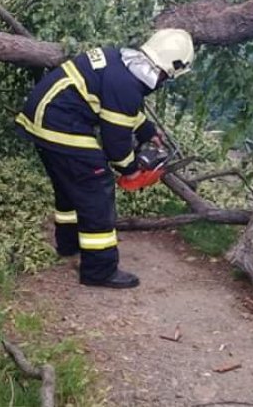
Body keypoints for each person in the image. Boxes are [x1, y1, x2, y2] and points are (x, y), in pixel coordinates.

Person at [15, 28, 195, 289]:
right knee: (96, 189)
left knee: (69, 187)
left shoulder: (119, 61)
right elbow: (116, 142)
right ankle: (99, 270)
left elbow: (118, 107)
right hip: (59, 125)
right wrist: (131, 169)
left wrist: (147, 131)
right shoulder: (127, 86)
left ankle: (69, 244)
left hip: (41, 119)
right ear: (169, 68)